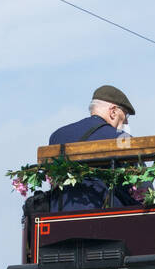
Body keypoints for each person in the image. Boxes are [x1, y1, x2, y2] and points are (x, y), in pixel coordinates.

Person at [47, 85, 136, 213]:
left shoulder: (57, 135)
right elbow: (139, 186)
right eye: (124, 117)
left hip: (59, 214)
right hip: (103, 218)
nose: (126, 123)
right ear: (113, 112)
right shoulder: (121, 139)